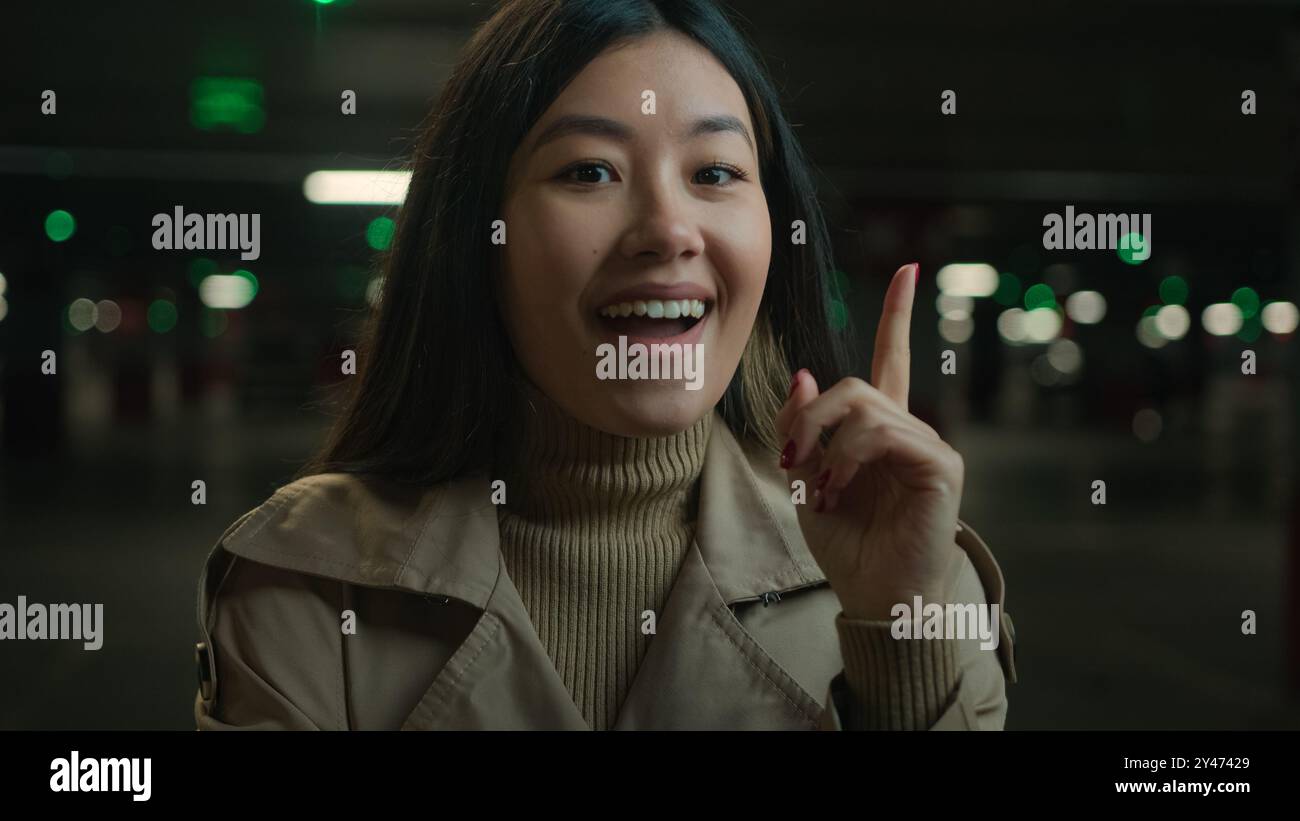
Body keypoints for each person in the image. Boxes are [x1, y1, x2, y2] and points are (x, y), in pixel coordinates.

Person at [193, 0, 1016, 731]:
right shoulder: (304, 585)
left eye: (716, 173)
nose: (667, 228)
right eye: (590, 171)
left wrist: (899, 641)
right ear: (477, 239)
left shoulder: (914, 582)